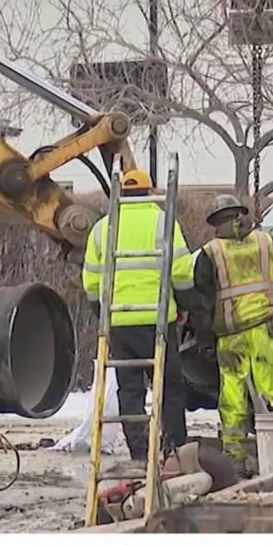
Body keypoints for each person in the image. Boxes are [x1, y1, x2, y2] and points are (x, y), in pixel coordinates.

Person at [81, 169, 195, 462]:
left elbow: (91, 283)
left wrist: (102, 315)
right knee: (168, 387)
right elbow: (182, 272)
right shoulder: (163, 223)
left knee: (129, 391)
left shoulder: (102, 228)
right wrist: (185, 306)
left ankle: (139, 452)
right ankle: (174, 451)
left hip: (119, 323)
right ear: (149, 191)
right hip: (158, 322)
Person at [190, 194, 273, 470]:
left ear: (216, 222)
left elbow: (202, 304)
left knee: (233, 398)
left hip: (231, 337)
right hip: (266, 329)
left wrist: (204, 341)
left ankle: (235, 459)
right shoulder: (267, 243)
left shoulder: (210, 253)